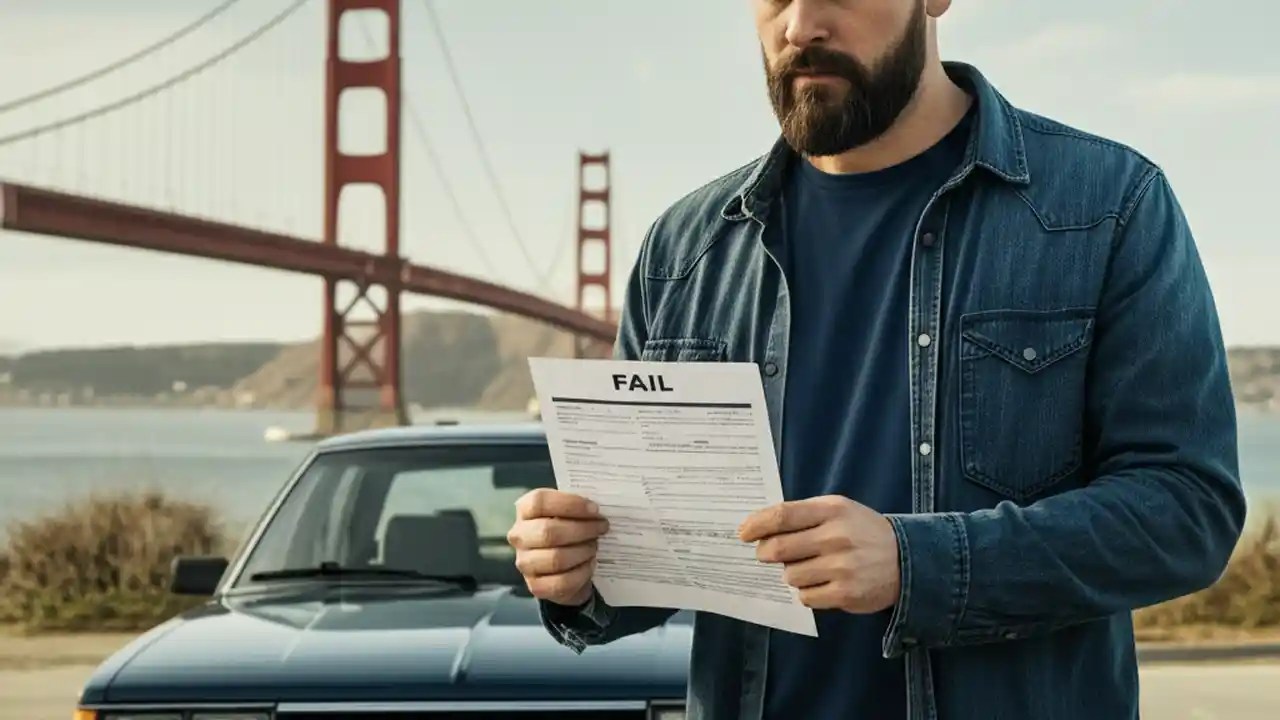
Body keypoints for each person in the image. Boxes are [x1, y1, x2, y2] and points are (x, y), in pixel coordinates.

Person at [506, 1, 1246, 718]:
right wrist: (581, 574)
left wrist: (918, 563)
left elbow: (1188, 512)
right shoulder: (683, 251)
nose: (800, 26)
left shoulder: (1108, 206)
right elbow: (661, 568)